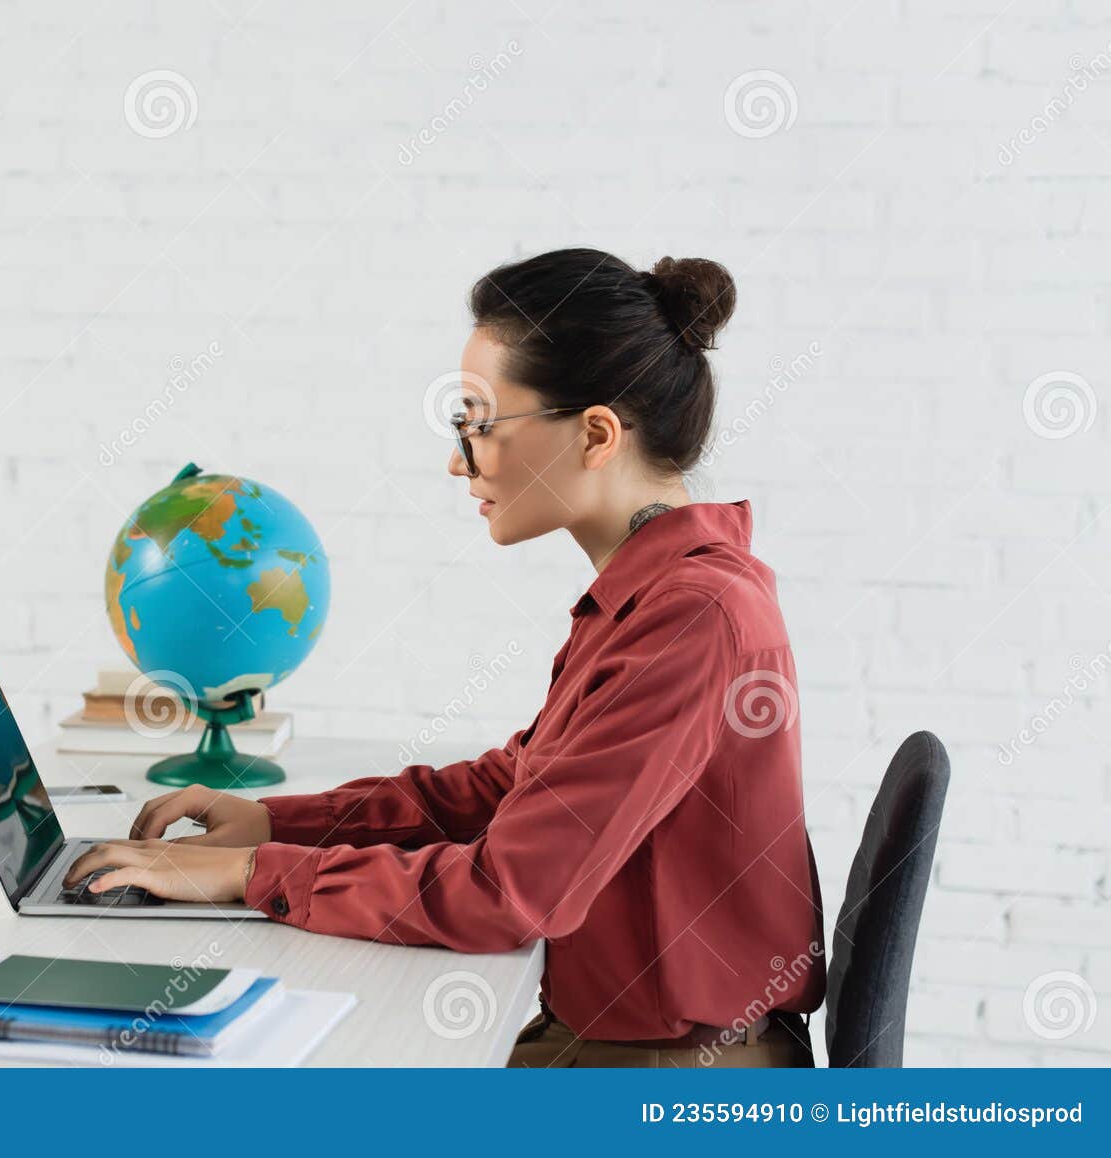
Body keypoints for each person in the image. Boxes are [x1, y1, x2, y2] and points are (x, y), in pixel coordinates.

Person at [66, 248, 827, 1068]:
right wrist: (276, 823)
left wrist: (251, 875)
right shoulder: (653, 596)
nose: (457, 459)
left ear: (597, 434)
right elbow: (509, 788)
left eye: (479, 424)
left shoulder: (691, 619)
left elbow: (508, 894)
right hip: (611, 1040)